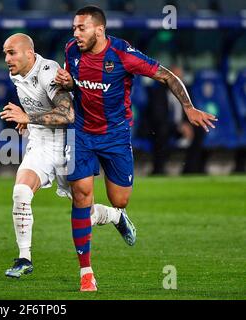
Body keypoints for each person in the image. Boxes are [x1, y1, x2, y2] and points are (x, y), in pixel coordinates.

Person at [54, 5, 217, 291]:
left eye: (82, 28)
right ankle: (86, 273)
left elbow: (167, 75)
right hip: (80, 133)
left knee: (119, 200)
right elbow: (72, 84)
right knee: (81, 195)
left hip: (115, 135)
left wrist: (189, 108)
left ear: (99, 30)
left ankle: (116, 216)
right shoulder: (71, 50)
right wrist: (68, 84)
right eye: (74, 28)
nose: (76, 33)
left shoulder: (122, 54)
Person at [0, 33, 135, 280]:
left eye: (12, 53)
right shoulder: (16, 73)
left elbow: (67, 114)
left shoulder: (49, 73)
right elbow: (38, 106)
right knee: (20, 192)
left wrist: (27, 118)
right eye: (5, 53)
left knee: (87, 212)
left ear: (29, 54)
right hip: (41, 143)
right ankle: (24, 258)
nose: (7, 58)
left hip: (70, 142)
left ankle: (115, 215)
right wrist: (28, 118)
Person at [145, 65, 205, 174]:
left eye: (179, 78)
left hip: (181, 126)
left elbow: (192, 111)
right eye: (174, 78)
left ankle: (191, 169)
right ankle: (159, 169)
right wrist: (178, 126)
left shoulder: (187, 93)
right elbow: (158, 116)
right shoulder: (158, 92)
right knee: (162, 131)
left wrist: (188, 125)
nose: (177, 82)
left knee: (200, 130)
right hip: (165, 126)